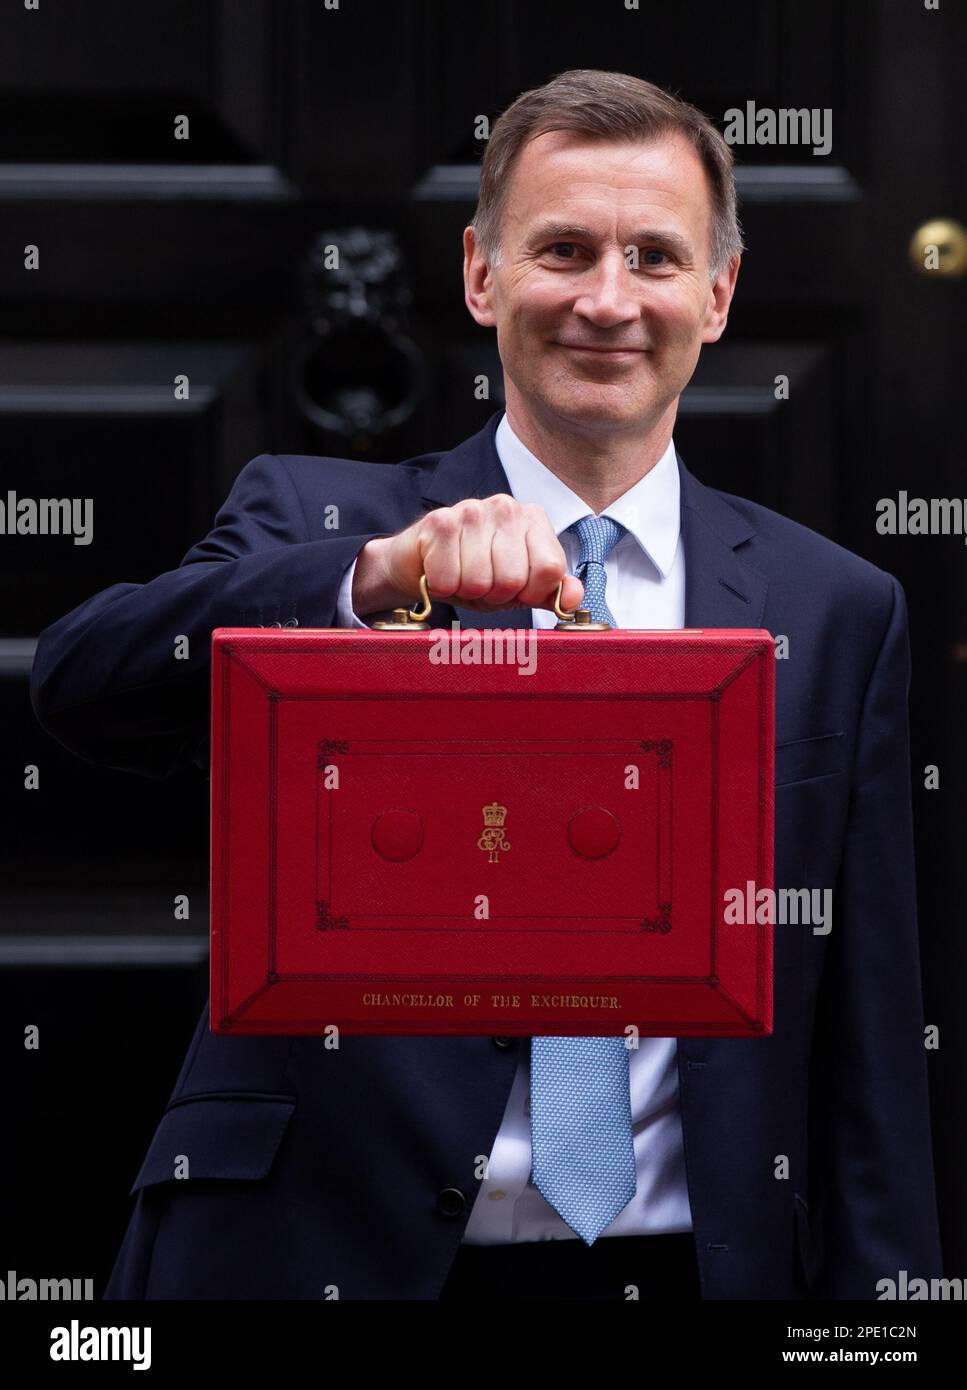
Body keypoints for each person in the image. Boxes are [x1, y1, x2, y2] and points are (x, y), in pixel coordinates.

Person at [30, 69, 942, 1301]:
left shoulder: (835, 608)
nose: (606, 301)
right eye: (561, 248)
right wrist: (372, 578)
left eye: (655, 258)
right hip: (322, 1256)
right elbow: (86, 684)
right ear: (480, 274)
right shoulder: (321, 519)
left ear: (719, 293)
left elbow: (866, 1047)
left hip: (689, 1266)